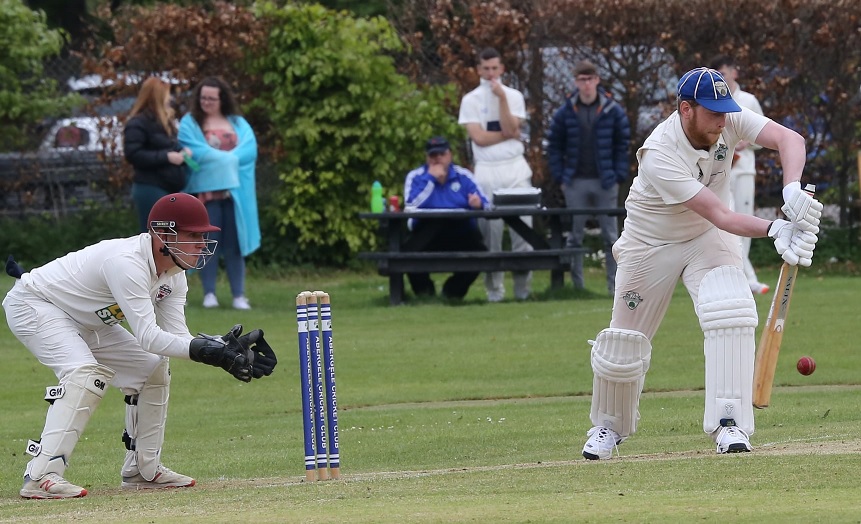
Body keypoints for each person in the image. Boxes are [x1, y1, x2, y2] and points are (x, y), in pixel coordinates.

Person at [579, 67, 822, 460]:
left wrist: (791, 186)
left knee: (732, 312)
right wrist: (778, 228)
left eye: (725, 111)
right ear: (686, 109)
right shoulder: (660, 152)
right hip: (650, 242)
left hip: (705, 239)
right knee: (624, 344)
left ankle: (731, 424)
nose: (723, 120)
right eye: (713, 112)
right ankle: (608, 426)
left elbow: (788, 138)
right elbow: (721, 215)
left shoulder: (727, 117)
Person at [2, 193, 277, 499]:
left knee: (151, 368)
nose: (201, 243)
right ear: (163, 234)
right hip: (36, 305)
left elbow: (176, 337)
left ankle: (142, 470)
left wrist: (223, 346)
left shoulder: (175, 275)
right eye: (194, 235)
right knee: (84, 374)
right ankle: (40, 476)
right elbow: (148, 336)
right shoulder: (127, 263)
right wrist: (211, 352)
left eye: (203, 236)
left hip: (88, 319)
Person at [546, 59, 631, 294]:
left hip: (606, 180)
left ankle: (615, 288)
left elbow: (622, 144)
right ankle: (577, 287)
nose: (586, 84)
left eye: (590, 79)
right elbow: (554, 145)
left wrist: (617, 175)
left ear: (597, 80)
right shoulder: (565, 112)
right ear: (576, 82)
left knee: (611, 237)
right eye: (582, 80)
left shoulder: (612, 110)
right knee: (575, 235)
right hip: (575, 181)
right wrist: (562, 177)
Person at [458, 47, 534, 302]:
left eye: (495, 68)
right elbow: (478, 138)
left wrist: (501, 98)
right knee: (490, 232)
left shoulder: (513, 96)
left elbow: (513, 126)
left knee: (523, 230)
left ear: (501, 69)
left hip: (515, 168)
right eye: (486, 69)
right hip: (486, 171)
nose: (491, 73)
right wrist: (506, 133)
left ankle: (523, 291)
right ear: (479, 69)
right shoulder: (470, 100)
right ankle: (494, 292)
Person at [179, 76, 260, 310]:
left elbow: (249, 150)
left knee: (235, 243)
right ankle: (209, 294)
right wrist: (227, 160)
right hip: (205, 195)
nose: (206, 102)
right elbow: (195, 151)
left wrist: (223, 160)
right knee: (206, 243)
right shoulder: (190, 122)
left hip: (235, 195)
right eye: (203, 97)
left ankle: (238, 295)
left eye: (211, 98)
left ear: (222, 99)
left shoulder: (237, 122)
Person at [709, 54, 770, 295]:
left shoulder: (748, 100)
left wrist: (746, 143)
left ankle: (746, 278)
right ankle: (740, 277)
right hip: (720, 171)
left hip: (743, 169)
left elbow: (764, 135)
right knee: (725, 224)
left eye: (724, 73)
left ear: (735, 73)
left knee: (745, 220)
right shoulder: (712, 100)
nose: (722, 78)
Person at [403, 136, 489, 299]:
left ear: (449, 155)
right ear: (427, 157)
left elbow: (486, 203)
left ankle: (452, 293)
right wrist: (431, 180)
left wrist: (477, 204)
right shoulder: (416, 177)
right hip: (426, 233)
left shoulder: (464, 176)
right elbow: (412, 206)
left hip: (459, 231)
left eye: (441, 154)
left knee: (480, 254)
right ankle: (425, 295)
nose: (438, 159)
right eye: (433, 155)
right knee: (407, 254)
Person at [124, 77, 194, 232]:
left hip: (169, 186)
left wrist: (181, 154)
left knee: (173, 236)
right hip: (151, 187)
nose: (170, 99)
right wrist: (166, 157)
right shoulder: (137, 123)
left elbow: (166, 146)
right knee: (157, 236)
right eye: (168, 95)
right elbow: (133, 154)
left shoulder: (165, 122)